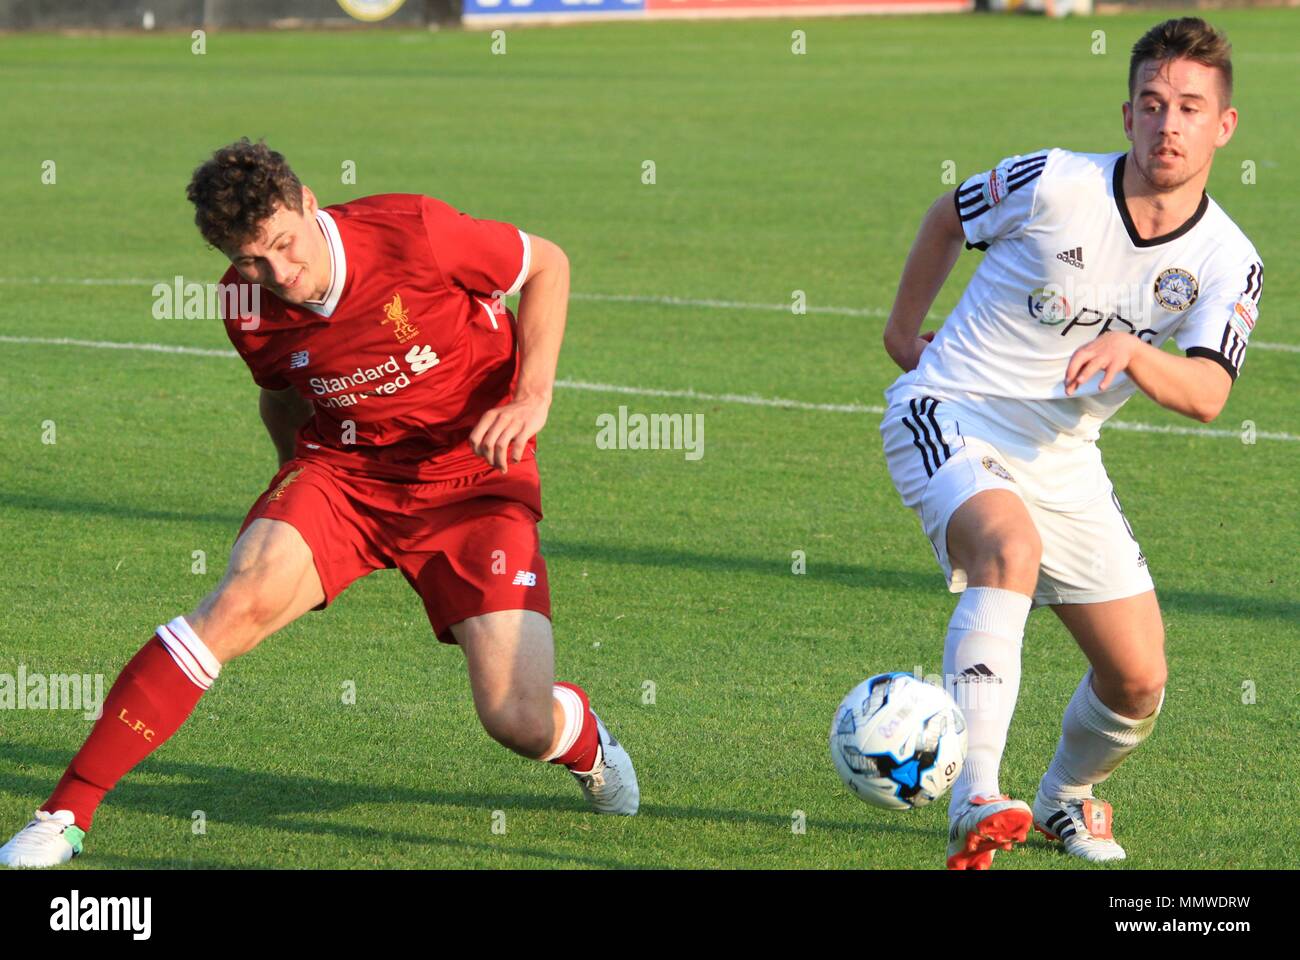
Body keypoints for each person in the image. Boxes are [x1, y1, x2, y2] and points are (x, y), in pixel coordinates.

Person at [1, 138, 638, 868]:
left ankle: (584, 740)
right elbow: (281, 393)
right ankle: (63, 815)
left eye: (283, 244)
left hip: (471, 482)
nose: (280, 273)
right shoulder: (244, 303)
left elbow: (547, 262)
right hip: (344, 474)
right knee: (232, 604)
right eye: (251, 260)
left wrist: (532, 394)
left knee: (515, 719)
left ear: (310, 204)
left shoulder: (414, 232)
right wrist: (289, 491)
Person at [877, 18, 1260, 869]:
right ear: (1126, 115)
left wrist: (1132, 350)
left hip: (1062, 456)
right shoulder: (1053, 181)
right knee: (1009, 547)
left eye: (1191, 108)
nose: (1170, 125)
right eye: (1153, 105)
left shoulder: (1228, 259)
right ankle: (977, 793)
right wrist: (906, 337)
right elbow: (948, 217)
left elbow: (1207, 393)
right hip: (952, 410)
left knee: (1137, 681)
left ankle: (1062, 798)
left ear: (1223, 126)